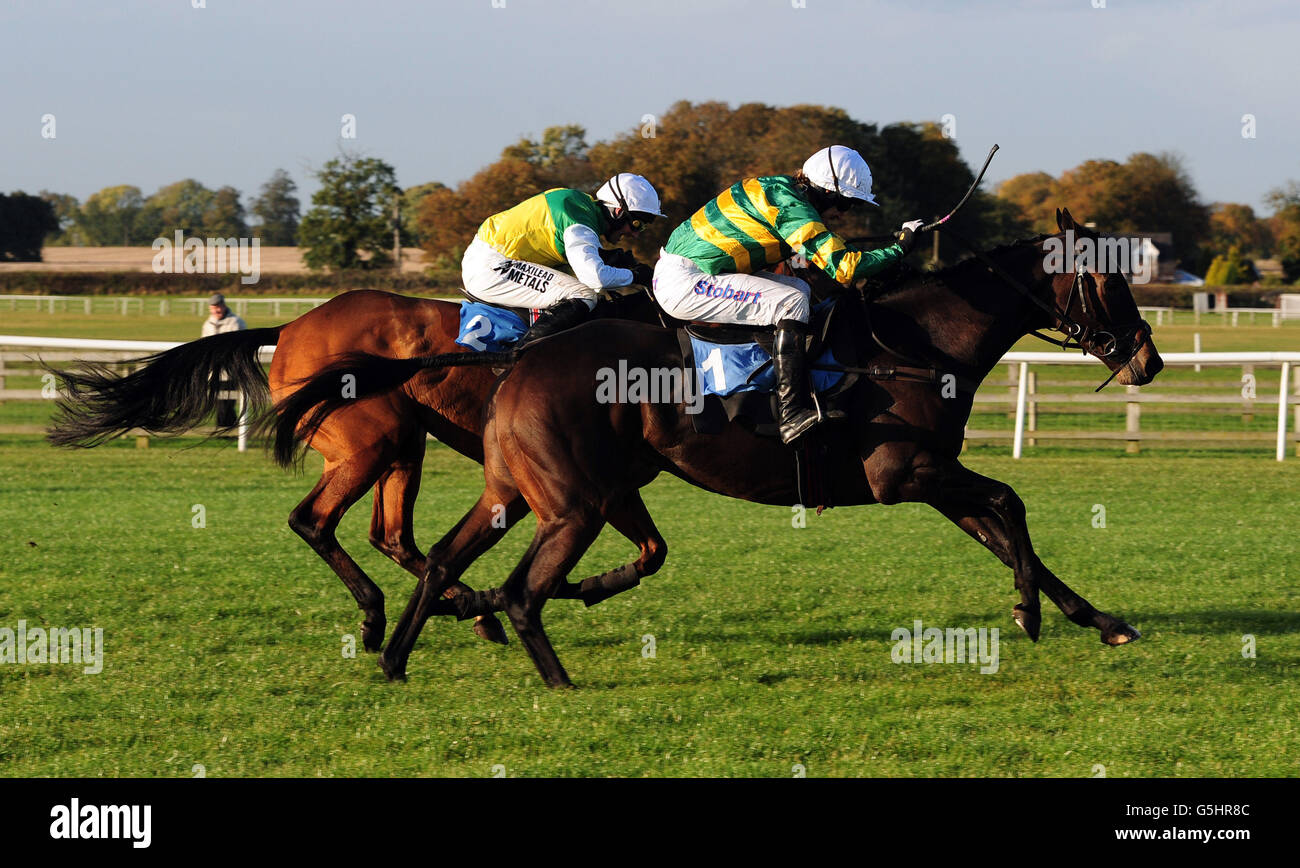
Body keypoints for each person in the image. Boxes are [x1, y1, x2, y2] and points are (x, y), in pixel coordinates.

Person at [653, 145, 925, 444]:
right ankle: (791, 412)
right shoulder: (792, 208)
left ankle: (778, 379)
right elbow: (845, 268)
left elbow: (826, 255)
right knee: (792, 301)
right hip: (687, 281)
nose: (843, 214)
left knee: (799, 290)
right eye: (846, 204)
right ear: (826, 191)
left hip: (692, 271)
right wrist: (900, 248)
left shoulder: (782, 190)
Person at [461, 174, 663, 349]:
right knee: (584, 294)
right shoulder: (579, 224)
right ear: (618, 212)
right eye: (636, 223)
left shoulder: (580, 204)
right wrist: (636, 276)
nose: (636, 234)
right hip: (490, 267)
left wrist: (607, 257)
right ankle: (519, 356)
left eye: (642, 227)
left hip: (490, 257)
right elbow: (596, 279)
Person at [200, 293, 247, 427]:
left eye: (218, 307)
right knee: (219, 402)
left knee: (227, 402)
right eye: (213, 308)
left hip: (230, 371)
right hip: (213, 371)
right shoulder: (207, 325)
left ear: (224, 305)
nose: (216, 310)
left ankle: (224, 430)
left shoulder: (236, 322)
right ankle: (227, 429)